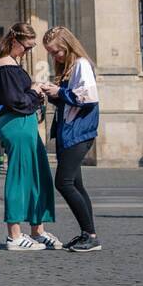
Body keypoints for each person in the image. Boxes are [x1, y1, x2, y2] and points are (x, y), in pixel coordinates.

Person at [0, 22, 58, 251]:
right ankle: (14, 234)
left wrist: (33, 91)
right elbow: (16, 101)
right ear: (13, 41)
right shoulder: (5, 66)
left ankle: (37, 230)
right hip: (17, 124)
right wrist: (34, 92)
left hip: (25, 124)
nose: (28, 52)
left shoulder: (14, 64)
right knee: (20, 176)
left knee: (36, 175)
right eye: (26, 47)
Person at [39, 25, 102, 250]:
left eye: (57, 52)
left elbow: (88, 97)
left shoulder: (81, 65)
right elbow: (69, 100)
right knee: (76, 184)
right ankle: (87, 233)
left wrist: (59, 92)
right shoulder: (70, 67)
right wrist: (54, 93)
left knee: (63, 182)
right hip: (70, 131)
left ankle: (91, 236)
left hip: (78, 132)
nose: (55, 56)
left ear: (67, 46)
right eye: (52, 53)